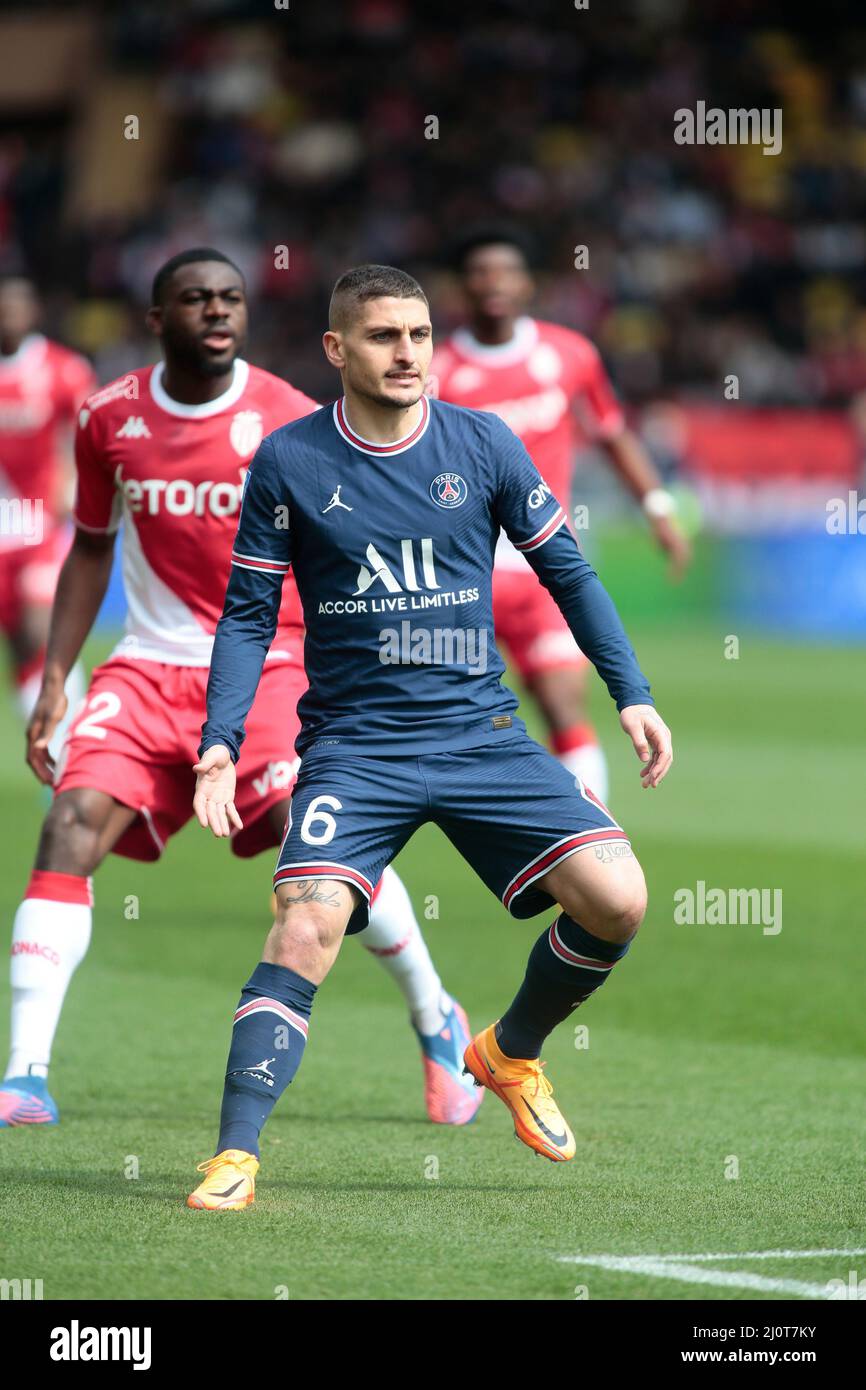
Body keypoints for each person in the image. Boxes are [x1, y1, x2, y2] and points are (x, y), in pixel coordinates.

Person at [188, 263, 672, 1210]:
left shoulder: (484, 442)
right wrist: (220, 740)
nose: (407, 352)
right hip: (356, 750)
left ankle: (507, 1052)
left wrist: (632, 693)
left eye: (418, 334)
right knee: (304, 925)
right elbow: (247, 615)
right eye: (382, 336)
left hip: (481, 734)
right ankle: (234, 1155)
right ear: (337, 349)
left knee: (619, 902)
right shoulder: (289, 461)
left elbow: (568, 571)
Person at [0, 249, 480, 1131]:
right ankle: (24, 1072)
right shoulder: (109, 418)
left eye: (230, 299)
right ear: (158, 320)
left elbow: (359, 543)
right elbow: (93, 547)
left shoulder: (291, 420)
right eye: (195, 300)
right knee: (67, 824)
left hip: (273, 670)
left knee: (322, 861)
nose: (217, 313)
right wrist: (55, 681)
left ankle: (435, 1015)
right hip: (147, 664)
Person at [432, 230, 690, 801]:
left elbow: (613, 434)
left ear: (527, 285)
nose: (493, 283)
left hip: (544, 563)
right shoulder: (437, 370)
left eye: (505, 272)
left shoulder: (570, 354)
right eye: (479, 273)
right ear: (461, 288)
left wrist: (658, 508)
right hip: (458, 572)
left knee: (562, 704)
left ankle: (595, 845)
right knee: (450, 724)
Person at [0, 275, 94, 757]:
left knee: (42, 627)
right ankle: (43, 744)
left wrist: (73, 490)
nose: (9, 316)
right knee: (18, 640)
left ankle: (69, 745)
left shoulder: (62, 369)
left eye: (16, 307)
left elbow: (86, 433)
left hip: (36, 519)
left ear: (32, 312)